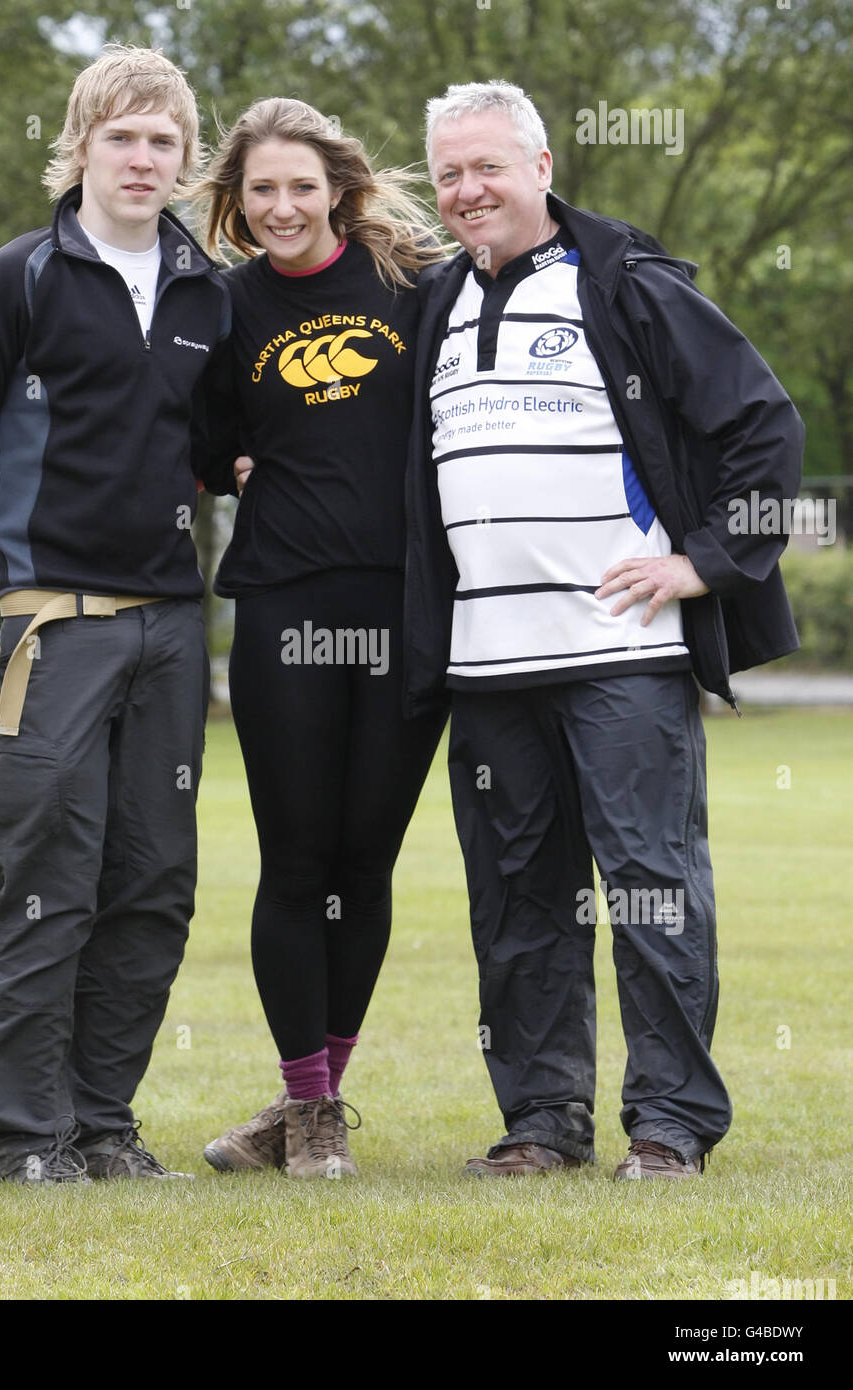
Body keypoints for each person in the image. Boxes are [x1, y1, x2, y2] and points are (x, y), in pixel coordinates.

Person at [404, 81, 804, 1179]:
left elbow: (764, 422)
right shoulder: (435, 301)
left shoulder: (624, 281)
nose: (468, 189)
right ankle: (543, 1122)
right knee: (519, 904)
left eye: (488, 165)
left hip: (623, 656)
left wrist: (705, 562)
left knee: (650, 887)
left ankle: (670, 1125)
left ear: (540, 165)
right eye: (449, 173)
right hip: (486, 671)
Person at [0, 45, 230, 1183]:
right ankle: (27, 1135)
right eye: (123, 137)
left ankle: (104, 1122)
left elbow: (218, 454)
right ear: (82, 144)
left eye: (164, 142)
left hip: (173, 631)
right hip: (52, 627)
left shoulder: (206, 293)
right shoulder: (17, 280)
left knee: (152, 884)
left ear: (187, 161)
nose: (144, 159)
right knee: (48, 874)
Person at [192, 98, 448, 1178]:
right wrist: (234, 467)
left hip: (406, 609)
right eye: (262, 190)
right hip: (286, 609)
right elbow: (202, 445)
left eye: (302, 185)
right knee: (297, 859)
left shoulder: (416, 289)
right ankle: (310, 1115)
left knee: (367, 860)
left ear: (337, 188)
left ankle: (313, 1098)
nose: (283, 206)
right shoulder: (226, 306)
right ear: (238, 204)